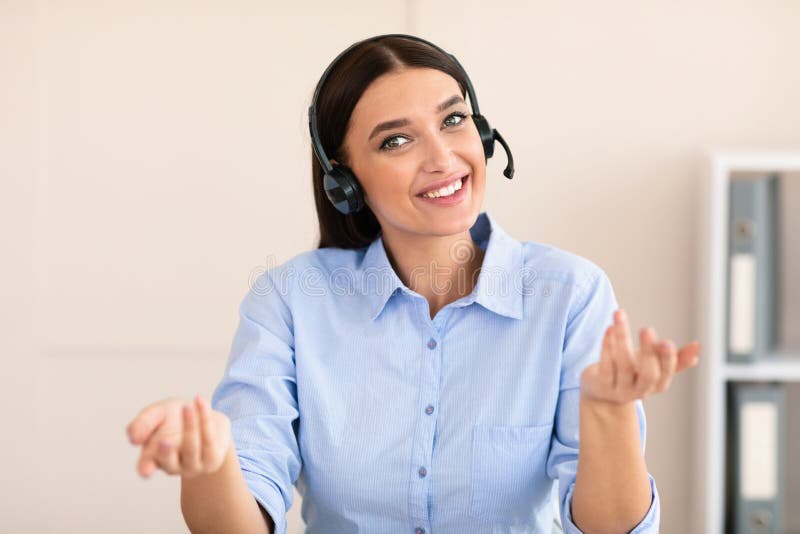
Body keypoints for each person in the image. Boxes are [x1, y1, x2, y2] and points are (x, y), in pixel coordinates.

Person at [125, 34, 701, 534]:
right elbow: (245, 516)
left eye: (454, 120)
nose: (443, 156)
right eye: (395, 141)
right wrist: (208, 463)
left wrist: (608, 412)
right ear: (345, 183)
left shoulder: (570, 293)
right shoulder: (290, 302)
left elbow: (611, 529)